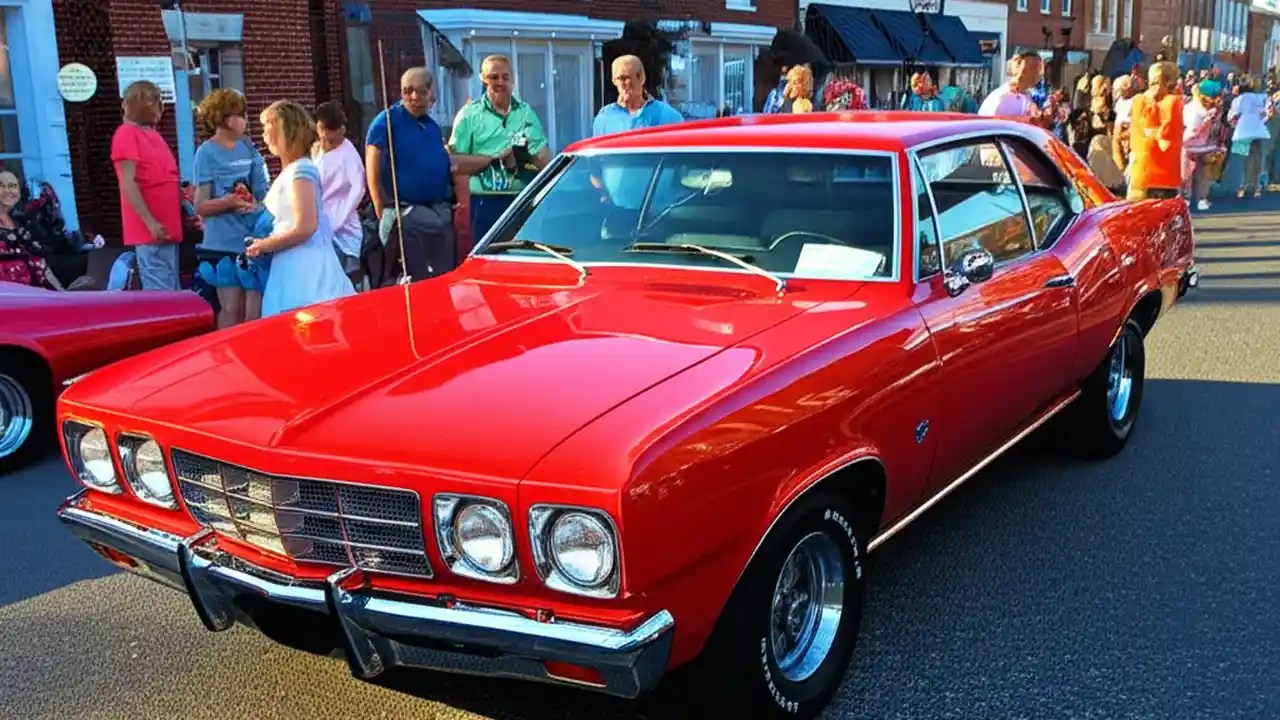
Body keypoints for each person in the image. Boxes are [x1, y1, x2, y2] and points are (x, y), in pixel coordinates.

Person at [245, 101, 354, 316]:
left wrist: (264, 245)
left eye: (268, 127)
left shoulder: (300, 171)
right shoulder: (297, 170)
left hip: (305, 268)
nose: (264, 135)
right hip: (294, 264)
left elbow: (305, 226)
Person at [364, 67, 465, 285]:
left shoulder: (431, 126)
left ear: (432, 94)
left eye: (420, 92)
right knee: (414, 280)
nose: (413, 97)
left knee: (441, 277)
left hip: (438, 209)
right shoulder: (386, 121)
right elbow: (371, 165)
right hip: (405, 213)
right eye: (407, 91)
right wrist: (383, 211)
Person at [449, 54, 551, 243]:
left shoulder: (525, 112)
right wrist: (494, 159)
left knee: (523, 258)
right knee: (489, 259)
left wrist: (527, 151)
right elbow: (455, 163)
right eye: (493, 77)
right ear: (483, 79)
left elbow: (545, 161)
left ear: (513, 79)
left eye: (505, 77)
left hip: (521, 198)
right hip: (485, 199)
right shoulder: (469, 115)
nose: (500, 82)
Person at [191, 88, 271, 327]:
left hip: (249, 242)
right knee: (230, 309)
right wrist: (228, 202)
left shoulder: (249, 148)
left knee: (253, 313)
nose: (243, 120)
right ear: (223, 117)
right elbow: (200, 205)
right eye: (238, 114)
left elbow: (263, 193)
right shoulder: (206, 153)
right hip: (221, 244)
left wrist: (254, 204)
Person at [110, 80, 183, 290]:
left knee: (172, 289)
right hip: (151, 231)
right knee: (161, 290)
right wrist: (150, 222)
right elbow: (128, 183)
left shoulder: (153, 134)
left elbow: (168, 178)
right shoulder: (126, 134)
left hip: (167, 228)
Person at [313, 101, 366, 287]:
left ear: (341, 130)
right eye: (321, 129)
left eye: (329, 131)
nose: (325, 135)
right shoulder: (316, 150)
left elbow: (358, 188)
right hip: (320, 226)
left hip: (343, 230)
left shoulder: (348, 153)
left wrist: (337, 220)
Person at [1128, 61, 1185, 201]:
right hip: (1160, 173)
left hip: (1146, 171)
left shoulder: (1142, 101)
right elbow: (1162, 131)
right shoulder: (1171, 102)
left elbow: (1159, 131)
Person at [592, 55, 683, 136]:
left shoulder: (668, 117)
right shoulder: (605, 118)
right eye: (620, 78)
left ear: (642, 78)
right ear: (614, 81)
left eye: (628, 78)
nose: (625, 84)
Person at [0, 171, 62, 289]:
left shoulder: (22, 221)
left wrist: (59, 292)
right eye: (2, 186)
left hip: (32, 293)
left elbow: (37, 259)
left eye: (13, 186)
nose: (9, 191)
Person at [1183, 79, 1227, 210]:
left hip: (1189, 143)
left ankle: (1185, 198)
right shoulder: (1217, 110)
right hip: (1208, 144)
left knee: (1187, 172)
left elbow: (1187, 123)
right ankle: (1202, 199)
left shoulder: (1191, 107)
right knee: (1205, 173)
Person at [978, 52, 1053, 128]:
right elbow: (1004, 129)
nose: (1040, 74)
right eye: (1036, 68)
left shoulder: (1026, 94)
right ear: (1022, 69)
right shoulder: (1006, 98)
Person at [1227, 75, 1273, 199]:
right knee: (1256, 157)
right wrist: (1262, 121)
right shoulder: (1260, 98)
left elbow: (1231, 117)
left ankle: (1242, 185)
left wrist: (1234, 125)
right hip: (1257, 131)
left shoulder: (1238, 100)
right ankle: (1256, 185)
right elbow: (1268, 112)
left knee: (1242, 159)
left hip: (1242, 132)